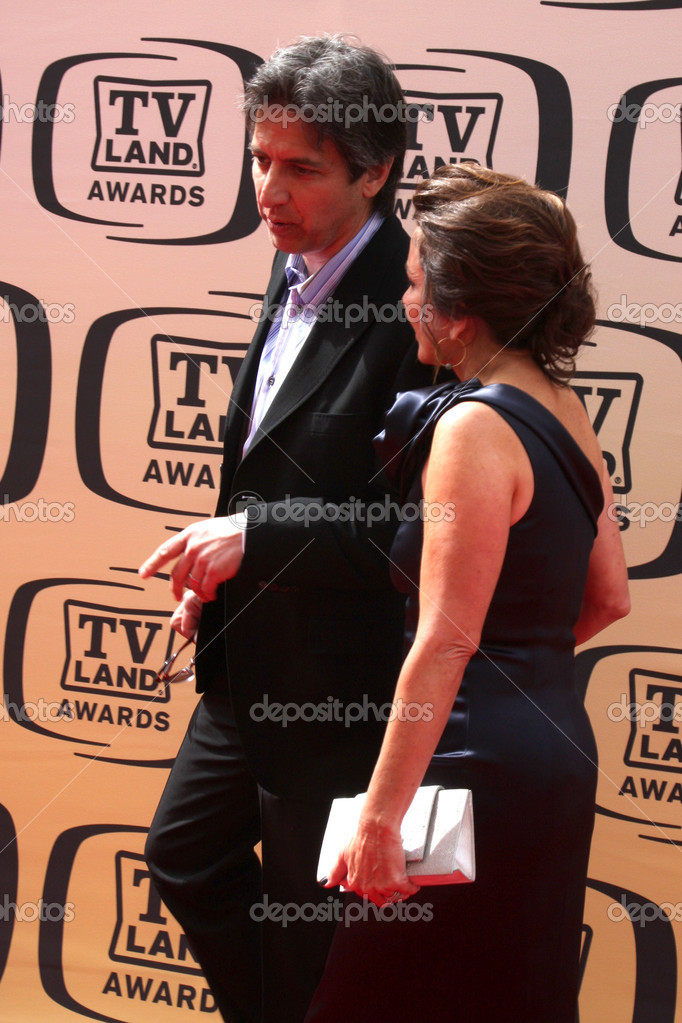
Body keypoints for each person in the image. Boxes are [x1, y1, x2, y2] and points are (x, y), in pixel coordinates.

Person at [138, 35, 434, 1023]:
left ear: (375, 169)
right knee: (183, 857)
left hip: (344, 697)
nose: (268, 189)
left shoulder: (421, 303)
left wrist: (255, 539)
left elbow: (419, 534)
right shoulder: (292, 259)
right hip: (243, 664)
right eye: (260, 161)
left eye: (300, 168)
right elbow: (265, 460)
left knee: (316, 940)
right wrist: (220, 564)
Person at [305, 164, 630, 1022]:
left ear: (459, 306)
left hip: (466, 769)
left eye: (414, 284)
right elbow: (608, 599)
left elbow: (445, 640)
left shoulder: (471, 427)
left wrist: (379, 818)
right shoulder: (565, 407)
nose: (405, 302)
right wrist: (521, 669)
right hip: (552, 757)